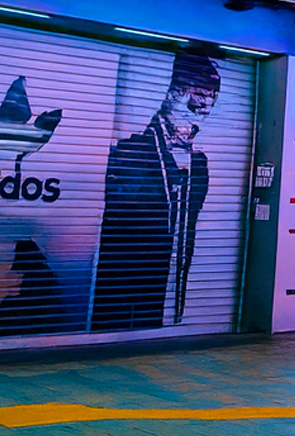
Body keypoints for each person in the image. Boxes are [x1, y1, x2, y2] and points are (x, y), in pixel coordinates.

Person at [90, 51, 217, 332]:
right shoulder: (130, 153)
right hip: (123, 295)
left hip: (168, 297)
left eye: (208, 111)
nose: (198, 122)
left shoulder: (198, 166)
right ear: (171, 95)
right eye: (194, 106)